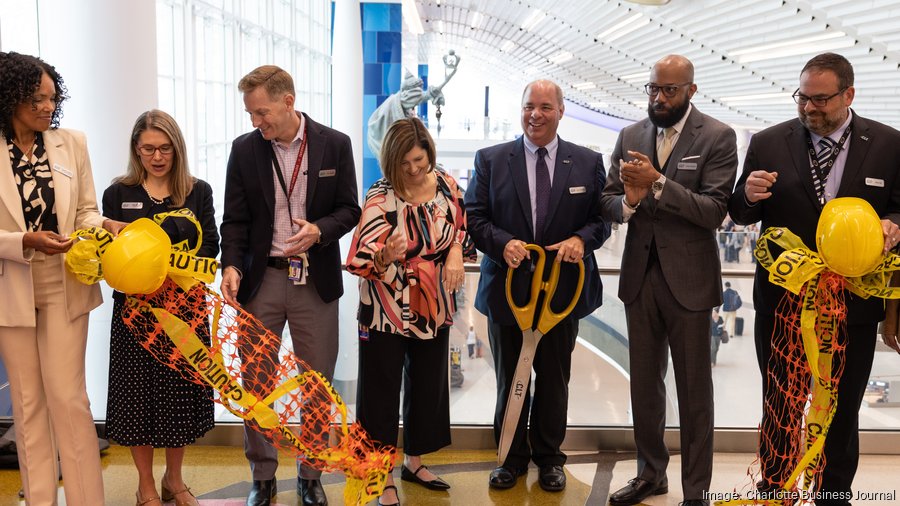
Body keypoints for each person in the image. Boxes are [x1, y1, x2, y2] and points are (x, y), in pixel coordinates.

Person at [728, 52, 900, 505]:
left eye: (821, 100)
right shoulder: (768, 141)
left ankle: (831, 496)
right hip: (784, 303)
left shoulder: (888, 144)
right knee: (781, 404)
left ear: (849, 94)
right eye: (802, 97)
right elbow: (742, 212)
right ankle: (776, 493)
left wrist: (894, 225)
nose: (809, 108)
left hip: (854, 305)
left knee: (841, 411)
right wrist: (745, 194)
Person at [220, 65, 360, 506]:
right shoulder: (245, 150)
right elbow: (235, 219)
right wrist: (230, 266)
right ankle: (262, 476)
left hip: (312, 282)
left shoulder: (335, 145)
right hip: (261, 280)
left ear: (288, 101)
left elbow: (349, 210)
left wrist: (319, 230)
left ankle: (311, 474)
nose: (255, 122)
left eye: (261, 112)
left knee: (316, 383)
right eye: (250, 114)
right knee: (257, 384)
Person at [600, 54, 738, 506]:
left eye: (669, 90)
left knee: (695, 392)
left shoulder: (717, 136)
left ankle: (696, 491)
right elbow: (607, 201)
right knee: (644, 384)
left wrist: (658, 182)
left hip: (690, 283)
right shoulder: (630, 134)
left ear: (691, 91)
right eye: (653, 89)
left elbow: (714, 211)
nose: (658, 98)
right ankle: (650, 474)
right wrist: (630, 201)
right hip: (640, 280)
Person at [465, 79, 609, 493]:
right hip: (507, 292)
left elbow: (602, 220)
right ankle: (509, 459)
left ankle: (550, 460)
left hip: (562, 296)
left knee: (554, 378)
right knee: (510, 378)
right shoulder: (492, 159)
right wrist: (502, 243)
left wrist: (582, 240)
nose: (535, 114)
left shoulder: (586, 162)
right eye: (529, 106)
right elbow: (474, 216)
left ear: (562, 111)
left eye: (546, 106)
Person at [0, 51, 122, 505]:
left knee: (69, 400)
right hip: (11, 281)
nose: (47, 107)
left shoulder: (71, 142)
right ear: (8, 97)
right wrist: (24, 241)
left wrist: (103, 226)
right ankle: (39, 499)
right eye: (36, 99)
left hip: (65, 279)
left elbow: (86, 209)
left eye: (52, 98)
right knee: (29, 406)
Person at [346, 117, 475, 506]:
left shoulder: (447, 185)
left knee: (427, 386)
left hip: (431, 306)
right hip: (385, 307)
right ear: (392, 161)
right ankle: (381, 474)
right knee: (380, 393)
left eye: (420, 160)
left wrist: (454, 250)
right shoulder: (381, 197)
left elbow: (463, 229)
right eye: (406, 164)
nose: (415, 170)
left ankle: (413, 462)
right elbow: (360, 259)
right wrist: (387, 254)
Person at [102, 110, 218, 506]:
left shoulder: (197, 191)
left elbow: (210, 247)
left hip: (184, 312)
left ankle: (174, 479)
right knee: (138, 403)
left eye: (165, 148)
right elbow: (110, 257)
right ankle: (145, 485)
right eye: (149, 148)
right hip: (135, 316)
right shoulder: (118, 194)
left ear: (177, 148)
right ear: (137, 148)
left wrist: (168, 269)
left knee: (178, 400)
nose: (157, 156)